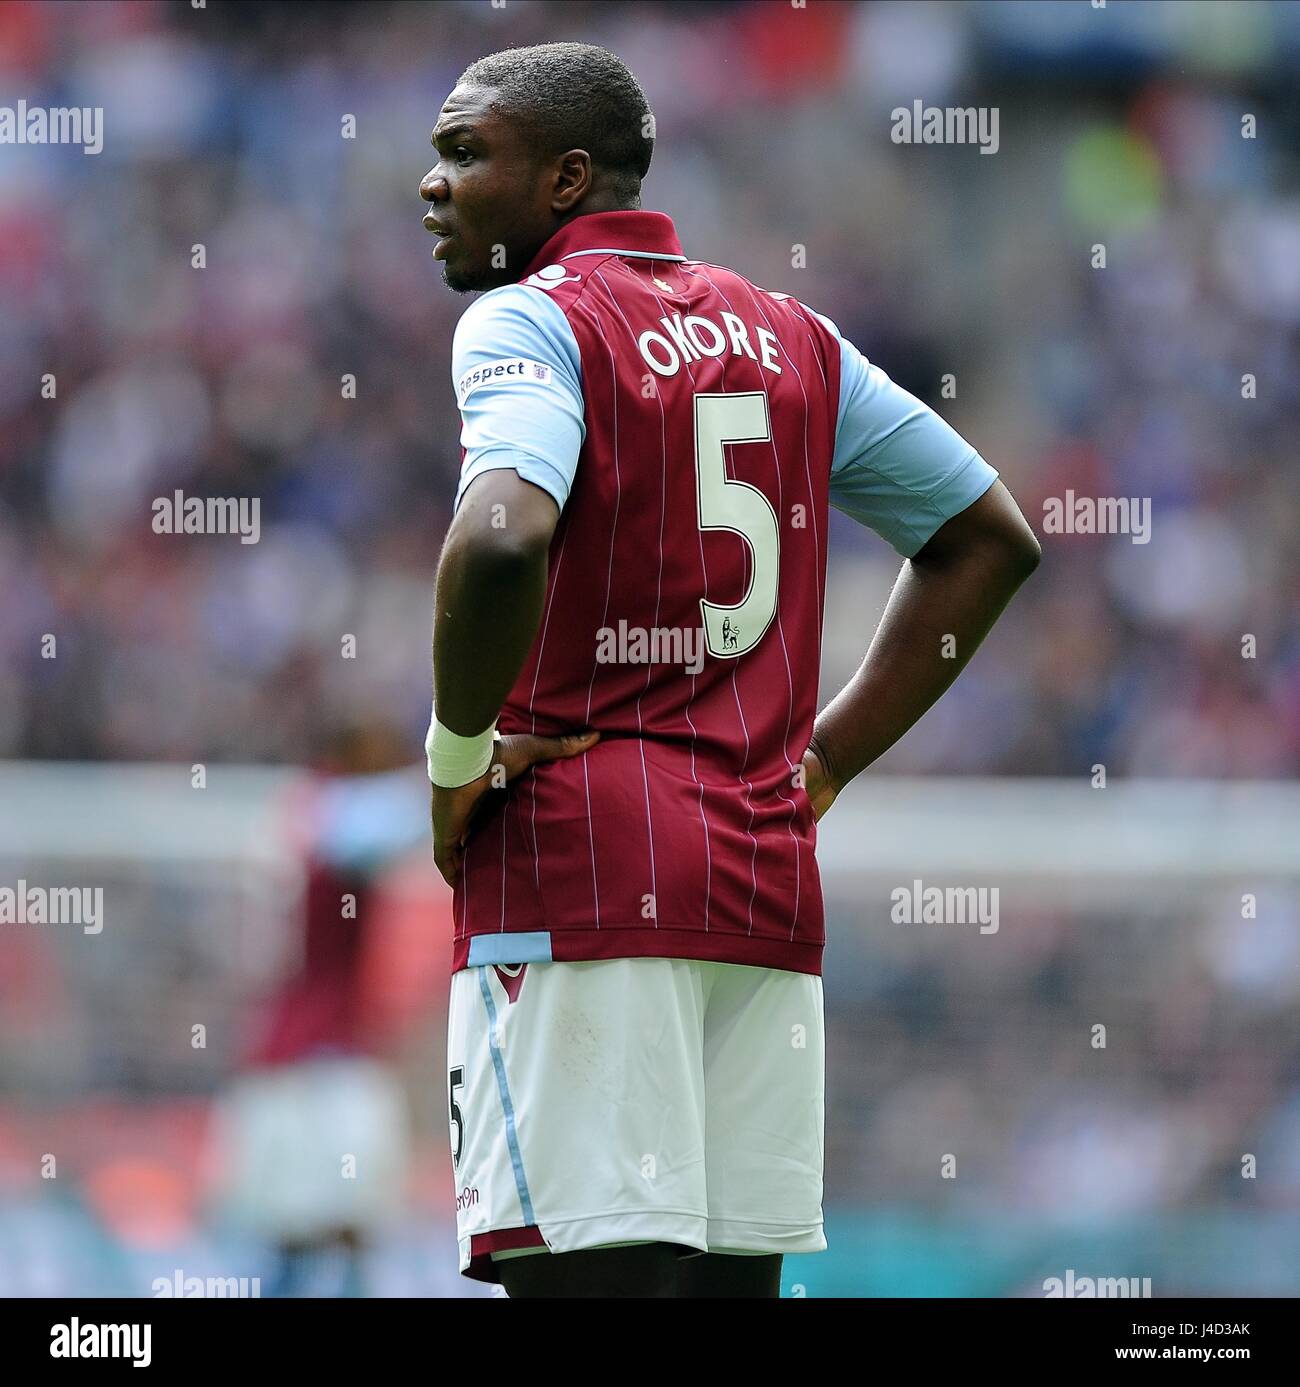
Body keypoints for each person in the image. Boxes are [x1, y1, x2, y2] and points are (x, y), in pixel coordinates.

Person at [419, 41, 1040, 1298]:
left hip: (580, 878)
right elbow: (989, 540)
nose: (431, 184)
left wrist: (454, 758)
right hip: (759, 882)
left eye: (464, 151)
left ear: (565, 178)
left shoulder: (529, 318)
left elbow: (498, 538)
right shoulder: (790, 333)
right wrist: (822, 764)